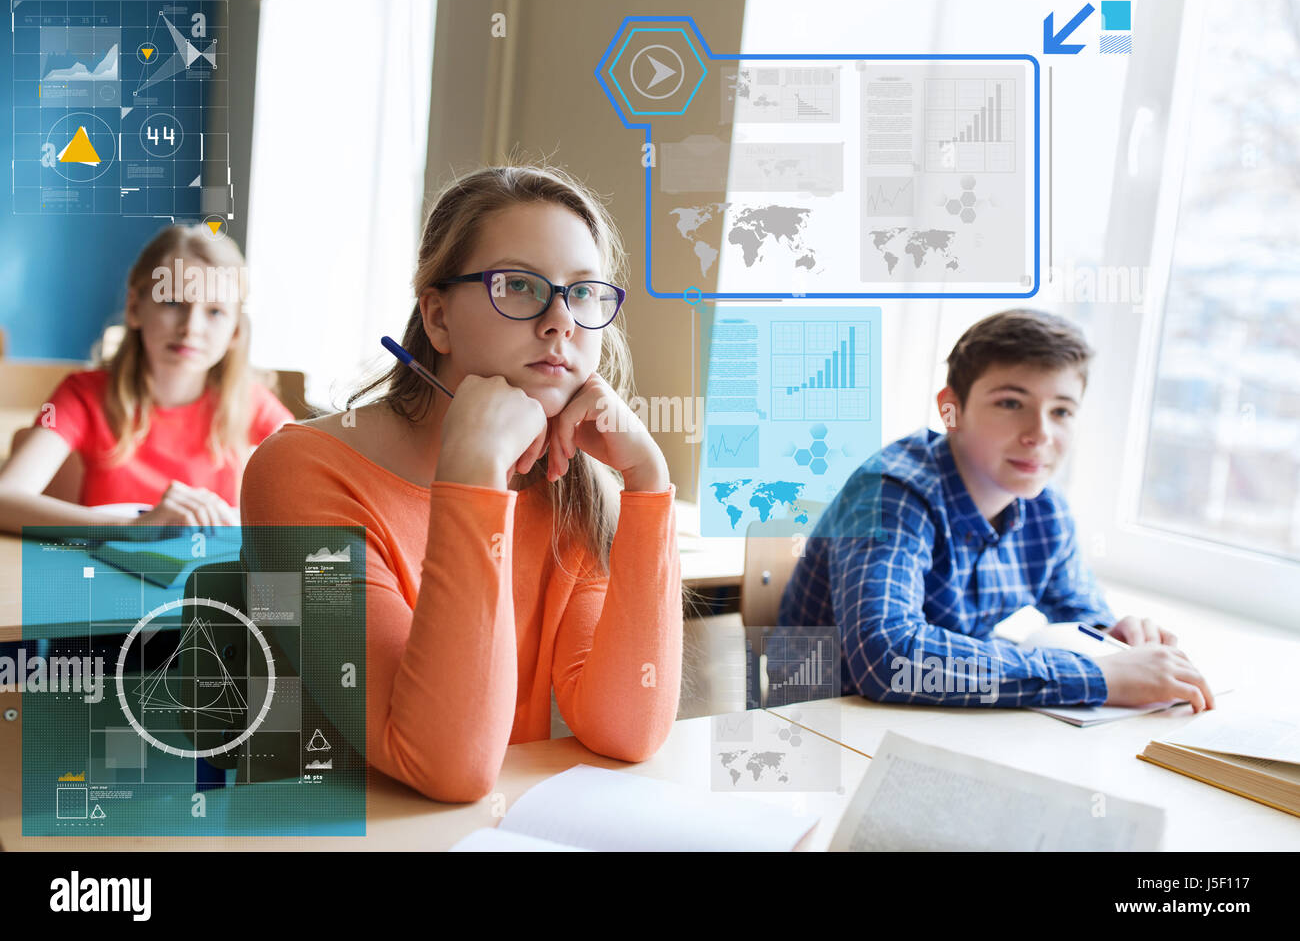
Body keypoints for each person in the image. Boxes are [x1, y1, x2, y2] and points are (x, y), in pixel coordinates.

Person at [241, 165, 682, 803]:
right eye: (520, 286)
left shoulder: (572, 486)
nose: (561, 321)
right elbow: (448, 765)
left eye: (584, 293)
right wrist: (475, 473)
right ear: (438, 317)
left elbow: (627, 731)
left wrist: (648, 482)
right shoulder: (300, 472)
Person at [779, 309, 1215, 712]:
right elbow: (888, 658)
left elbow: (1080, 610)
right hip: (821, 726)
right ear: (952, 410)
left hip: (935, 724)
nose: (1039, 434)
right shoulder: (889, 493)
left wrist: (1114, 640)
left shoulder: (1044, 508)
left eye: (1061, 411)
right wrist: (1098, 675)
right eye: (1011, 403)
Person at [0, 225, 292, 532]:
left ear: (235, 330)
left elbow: (320, 476)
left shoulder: (252, 403)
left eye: (215, 312)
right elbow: (5, 499)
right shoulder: (83, 395)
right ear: (135, 307)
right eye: (172, 303)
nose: (191, 327)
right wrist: (132, 528)